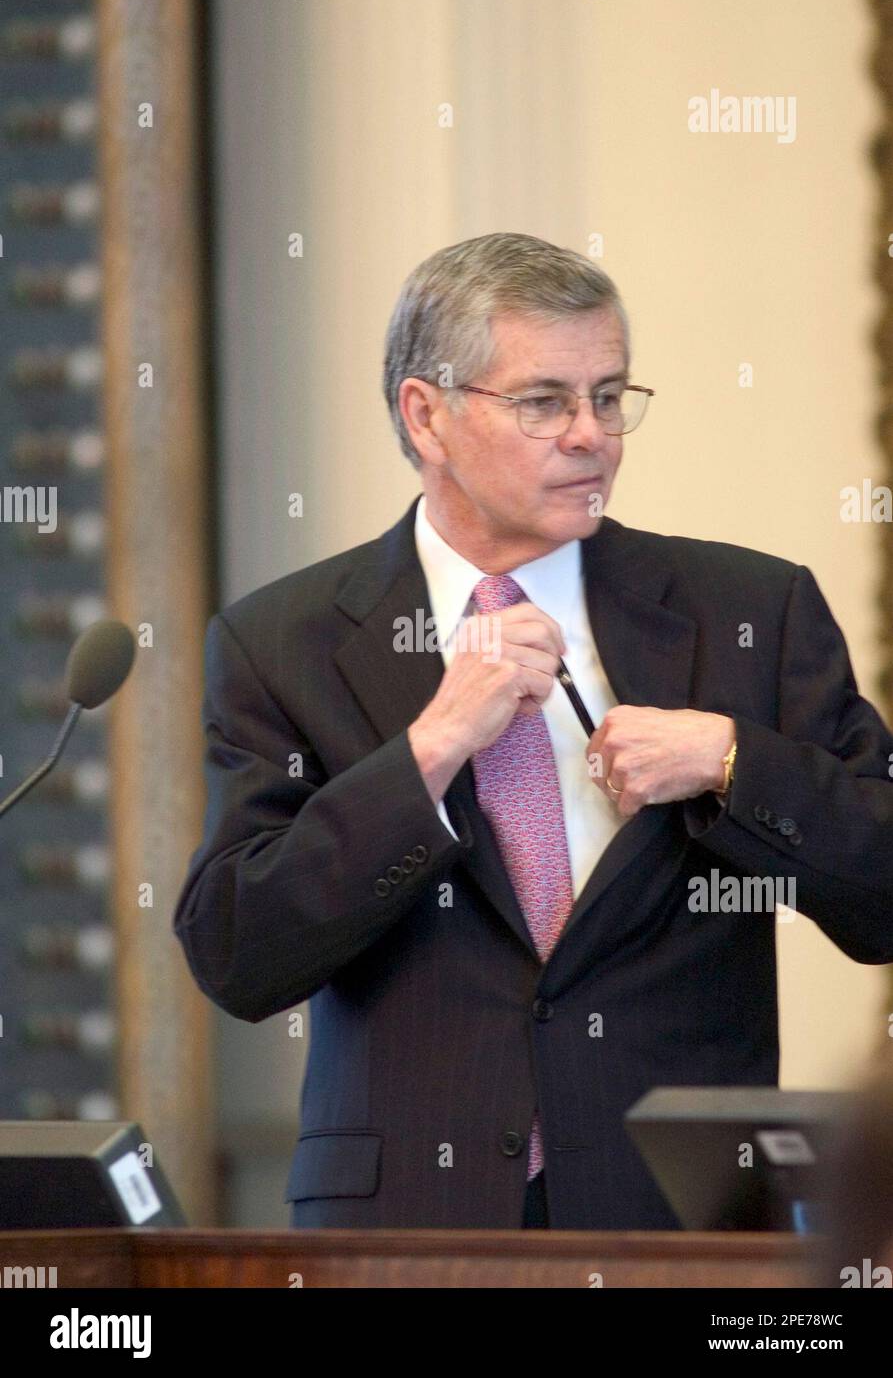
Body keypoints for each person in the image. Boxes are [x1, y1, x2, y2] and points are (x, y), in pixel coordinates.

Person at [172, 232, 893, 1230]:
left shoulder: (749, 611)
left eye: (609, 396)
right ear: (425, 415)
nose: (589, 434)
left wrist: (729, 761)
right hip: (408, 1237)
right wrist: (427, 752)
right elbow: (239, 951)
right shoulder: (282, 642)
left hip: (679, 1225)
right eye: (544, 401)